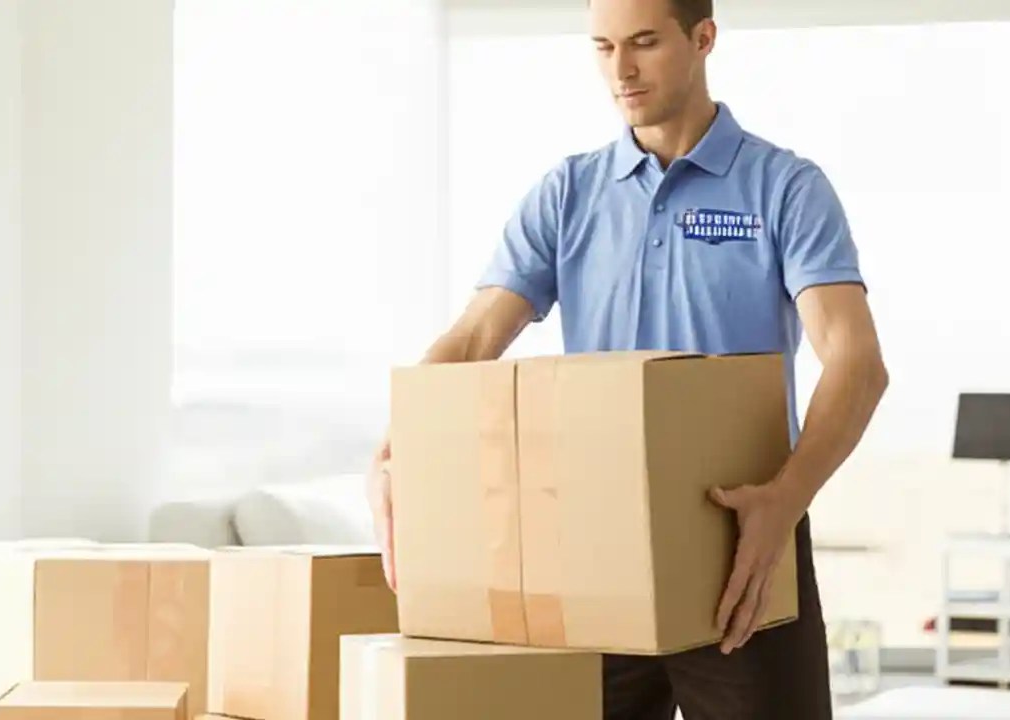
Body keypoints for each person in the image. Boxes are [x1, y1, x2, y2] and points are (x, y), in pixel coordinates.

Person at [366, 0, 889, 717]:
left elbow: (857, 362)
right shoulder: (568, 193)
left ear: (704, 38)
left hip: (744, 535)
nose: (621, 70)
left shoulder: (785, 188)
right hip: (592, 538)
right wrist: (403, 441)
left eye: (644, 43)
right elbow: (473, 338)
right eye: (603, 47)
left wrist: (786, 499)